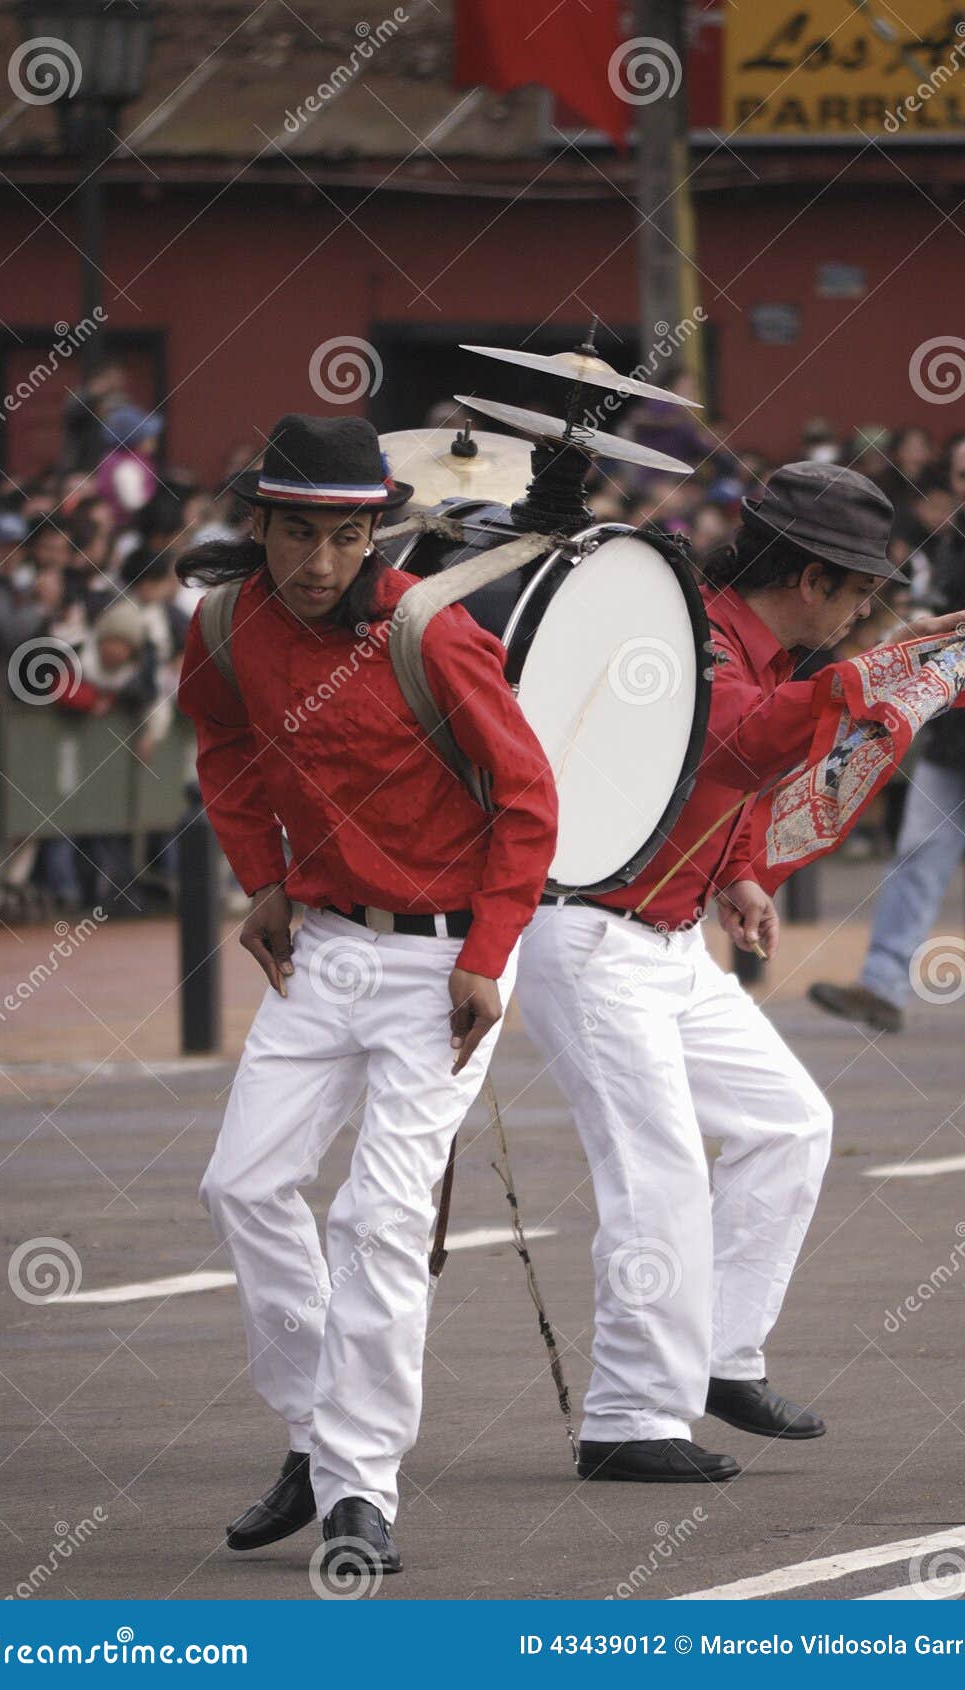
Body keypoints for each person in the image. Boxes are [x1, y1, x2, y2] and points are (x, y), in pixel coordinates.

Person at [514, 463, 965, 1485]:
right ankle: (627, 1416)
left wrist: (733, 875)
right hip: (591, 938)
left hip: (659, 934)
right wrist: (866, 677)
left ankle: (718, 1354)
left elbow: (706, 777)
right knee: (658, 1175)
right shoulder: (703, 640)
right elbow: (734, 741)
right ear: (813, 577)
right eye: (858, 591)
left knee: (788, 1124)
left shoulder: (737, 637)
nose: (862, 611)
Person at [176, 414, 557, 1575]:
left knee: (379, 1221)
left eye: (343, 538)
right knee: (242, 1183)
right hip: (327, 946)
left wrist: (489, 953)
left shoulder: (429, 633)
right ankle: (312, 1430)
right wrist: (263, 881)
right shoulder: (226, 624)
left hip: (447, 964)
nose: (317, 564)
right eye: (296, 534)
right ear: (259, 526)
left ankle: (360, 1489)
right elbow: (225, 750)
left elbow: (529, 797)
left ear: (373, 532)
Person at [810, 434, 965, 1034]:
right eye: (961, 474)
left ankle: (881, 985)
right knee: (916, 855)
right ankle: (881, 987)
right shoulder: (957, 541)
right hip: (958, 727)